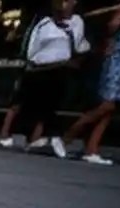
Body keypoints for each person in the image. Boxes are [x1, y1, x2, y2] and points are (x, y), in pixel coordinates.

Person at [62, 0, 120, 164]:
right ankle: (68, 135)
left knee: (110, 108)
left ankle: (92, 149)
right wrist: (113, 34)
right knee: (107, 104)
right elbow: (113, 24)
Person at [17, 0, 89, 158]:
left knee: (50, 103)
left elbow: (79, 44)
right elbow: (33, 46)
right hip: (40, 68)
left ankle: (53, 135)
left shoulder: (77, 22)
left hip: (60, 68)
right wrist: (30, 62)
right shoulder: (44, 24)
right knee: (37, 104)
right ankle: (42, 137)